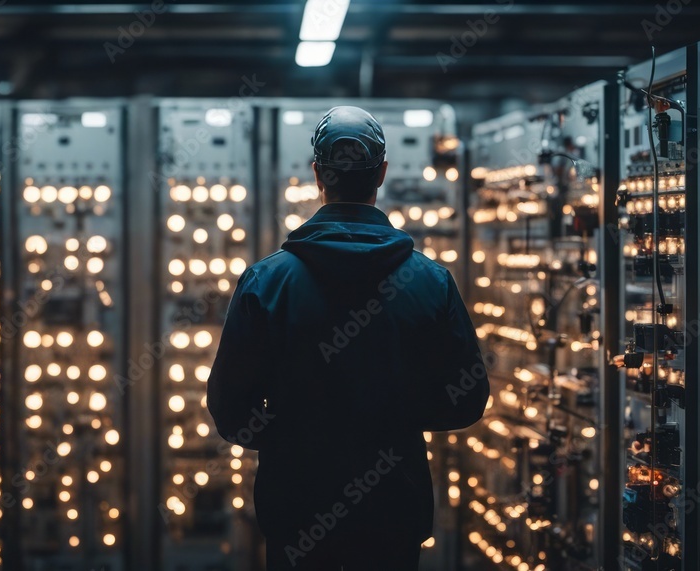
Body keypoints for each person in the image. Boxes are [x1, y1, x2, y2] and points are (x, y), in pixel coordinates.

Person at [207, 106, 489, 570]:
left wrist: (292, 436)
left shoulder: (266, 282)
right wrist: (391, 419)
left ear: (318, 173)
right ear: (381, 173)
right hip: (394, 509)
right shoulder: (430, 281)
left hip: (297, 508)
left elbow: (229, 406)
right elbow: (468, 398)